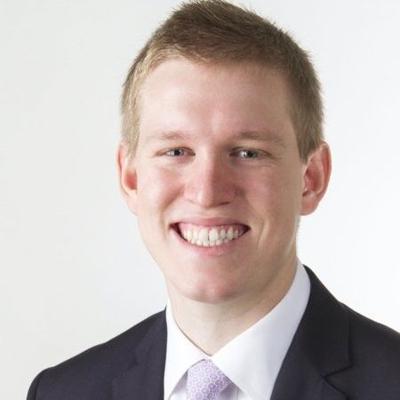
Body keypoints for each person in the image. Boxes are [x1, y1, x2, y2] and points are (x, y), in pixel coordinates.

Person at [27, 1, 400, 399]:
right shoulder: (61, 392)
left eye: (248, 152)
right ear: (131, 177)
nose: (206, 192)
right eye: (176, 151)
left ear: (311, 179)